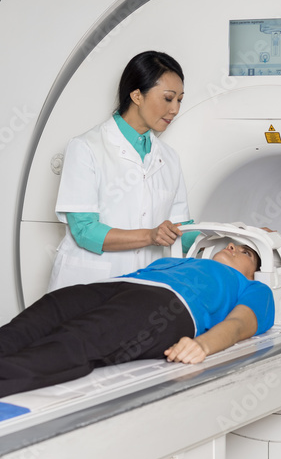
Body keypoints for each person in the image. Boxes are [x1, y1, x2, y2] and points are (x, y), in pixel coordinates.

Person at [0, 242, 274, 403]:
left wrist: (204, 345)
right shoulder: (179, 260)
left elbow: (240, 325)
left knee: (75, 342)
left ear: (254, 271)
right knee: (34, 320)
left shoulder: (252, 289)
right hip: (118, 286)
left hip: (169, 308)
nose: (235, 247)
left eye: (247, 253)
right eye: (234, 243)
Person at [48, 51, 196, 292]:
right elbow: (85, 231)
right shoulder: (86, 147)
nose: (175, 109)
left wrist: (239, 237)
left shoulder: (169, 158)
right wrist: (150, 236)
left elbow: (181, 231)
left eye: (180, 99)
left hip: (144, 285)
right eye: (168, 98)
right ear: (137, 95)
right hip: (88, 285)